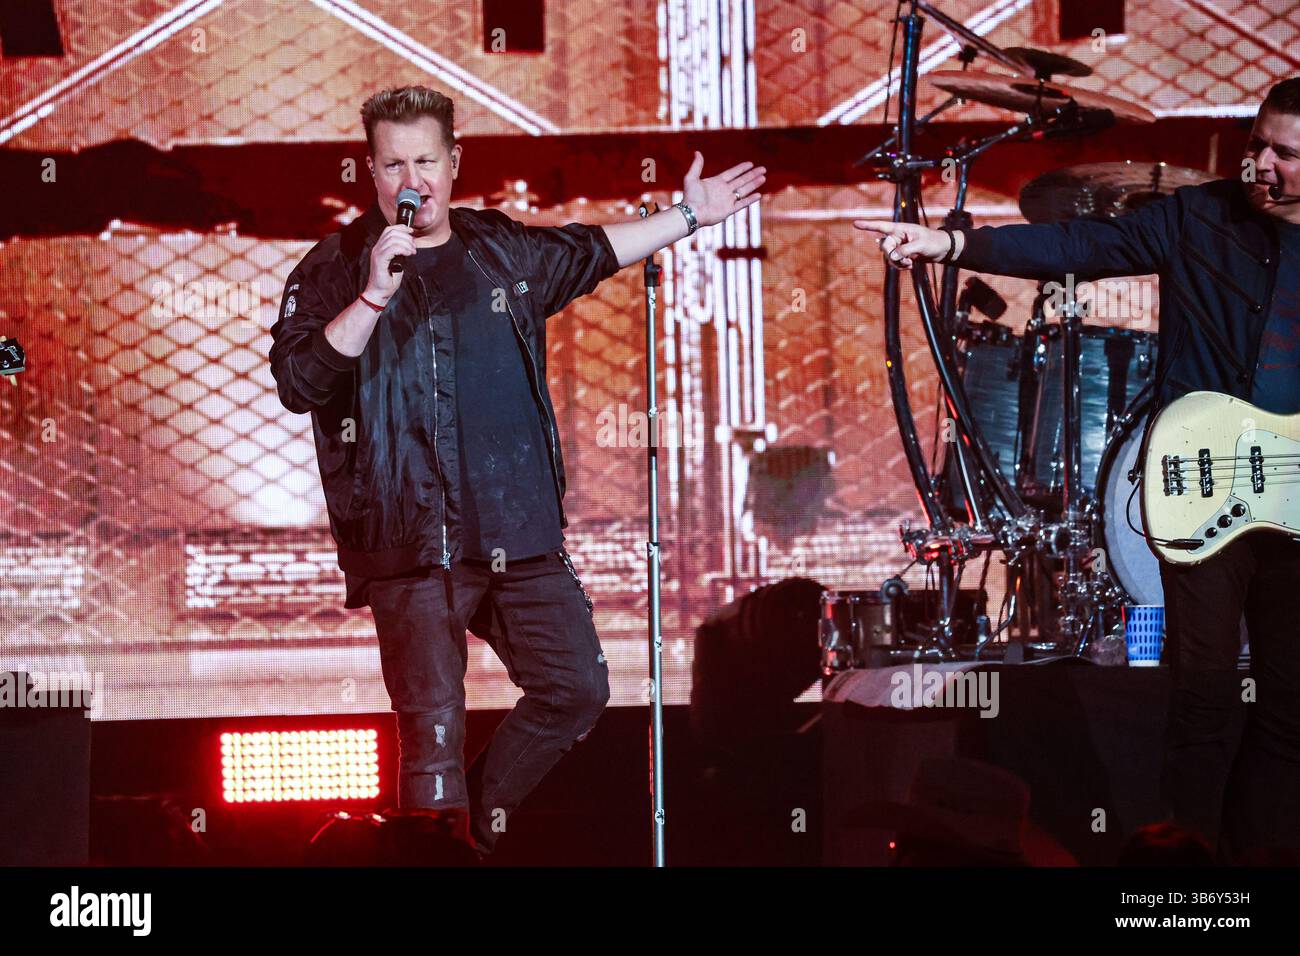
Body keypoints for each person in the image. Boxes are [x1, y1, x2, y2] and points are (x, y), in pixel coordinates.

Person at [269, 85, 765, 858]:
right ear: (371, 171)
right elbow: (298, 382)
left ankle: (461, 834)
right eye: (394, 163)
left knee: (575, 688)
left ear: (454, 163)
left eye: (426, 160)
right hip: (410, 541)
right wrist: (372, 295)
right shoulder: (338, 265)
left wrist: (689, 216)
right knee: (432, 734)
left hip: (516, 529)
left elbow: (594, 249)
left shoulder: (501, 249)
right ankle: (440, 830)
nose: (413, 179)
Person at [853, 77, 1300, 860]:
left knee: (1289, 708)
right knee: (1201, 696)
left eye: (1285, 154)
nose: (1260, 164)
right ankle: (1189, 884)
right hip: (1207, 487)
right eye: (1255, 143)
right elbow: (1080, 247)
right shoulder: (1200, 216)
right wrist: (953, 242)